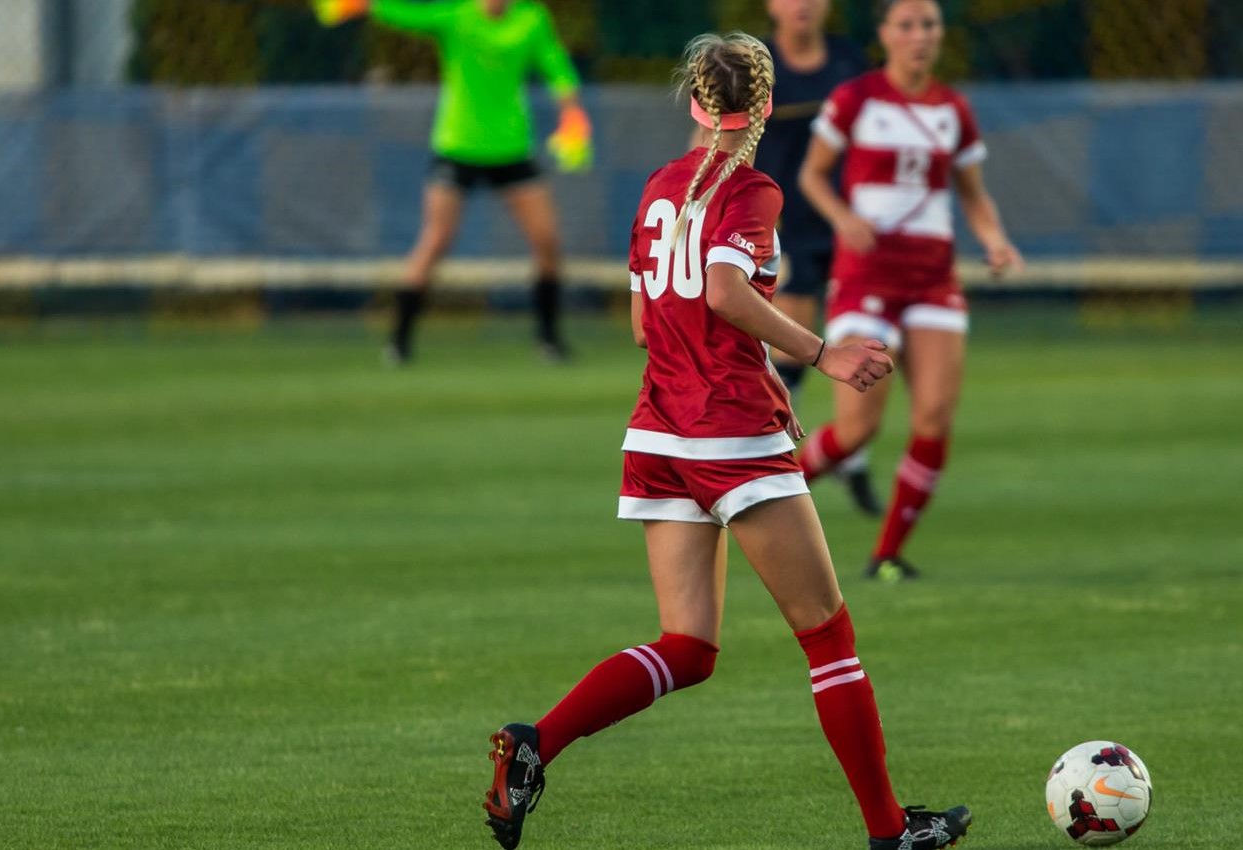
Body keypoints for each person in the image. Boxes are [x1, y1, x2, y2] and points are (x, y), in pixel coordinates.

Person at [477, 32, 972, 850]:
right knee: (828, 637)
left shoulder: (659, 187)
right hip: (727, 437)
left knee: (689, 645)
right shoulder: (753, 191)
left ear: (697, 105)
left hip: (658, 432)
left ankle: (536, 744)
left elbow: (647, 325)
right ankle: (891, 833)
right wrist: (818, 353)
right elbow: (724, 292)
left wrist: (762, 375)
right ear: (767, 108)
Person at [795, 0, 1022, 582]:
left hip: (932, 278)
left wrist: (995, 240)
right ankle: (750, 496)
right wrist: (842, 217)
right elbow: (812, 174)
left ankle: (887, 553)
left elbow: (971, 192)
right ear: (885, 35)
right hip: (868, 276)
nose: (919, 37)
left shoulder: (953, 109)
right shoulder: (856, 98)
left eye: (929, 26)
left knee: (935, 417)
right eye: (907, 26)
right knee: (857, 429)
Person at [320, 0, 589, 365]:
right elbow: (407, 15)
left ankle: (549, 340)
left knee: (547, 241)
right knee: (435, 240)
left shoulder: (532, 20)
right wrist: (364, 5)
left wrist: (572, 114)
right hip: (457, 146)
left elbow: (558, 69)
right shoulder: (457, 17)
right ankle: (398, 343)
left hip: (512, 147)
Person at [754, 0, 882, 517]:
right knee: (795, 352)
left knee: (859, 349)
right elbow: (716, 131)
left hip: (852, 224)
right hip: (786, 228)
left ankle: (853, 458)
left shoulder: (850, 63)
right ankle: (777, 459)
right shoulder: (759, 64)